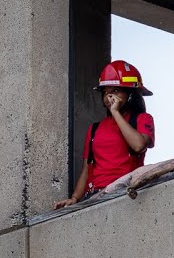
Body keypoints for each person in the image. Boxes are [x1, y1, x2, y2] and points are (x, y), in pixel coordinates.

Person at [54, 60, 155, 209]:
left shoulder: (142, 119)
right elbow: (86, 169)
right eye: (106, 92)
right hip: (94, 196)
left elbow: (139, 145)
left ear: (131, 95)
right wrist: (75, 198)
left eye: (115, 91)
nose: (109, 97)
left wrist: (115, 112)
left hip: (124, 193)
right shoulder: (94, 128)